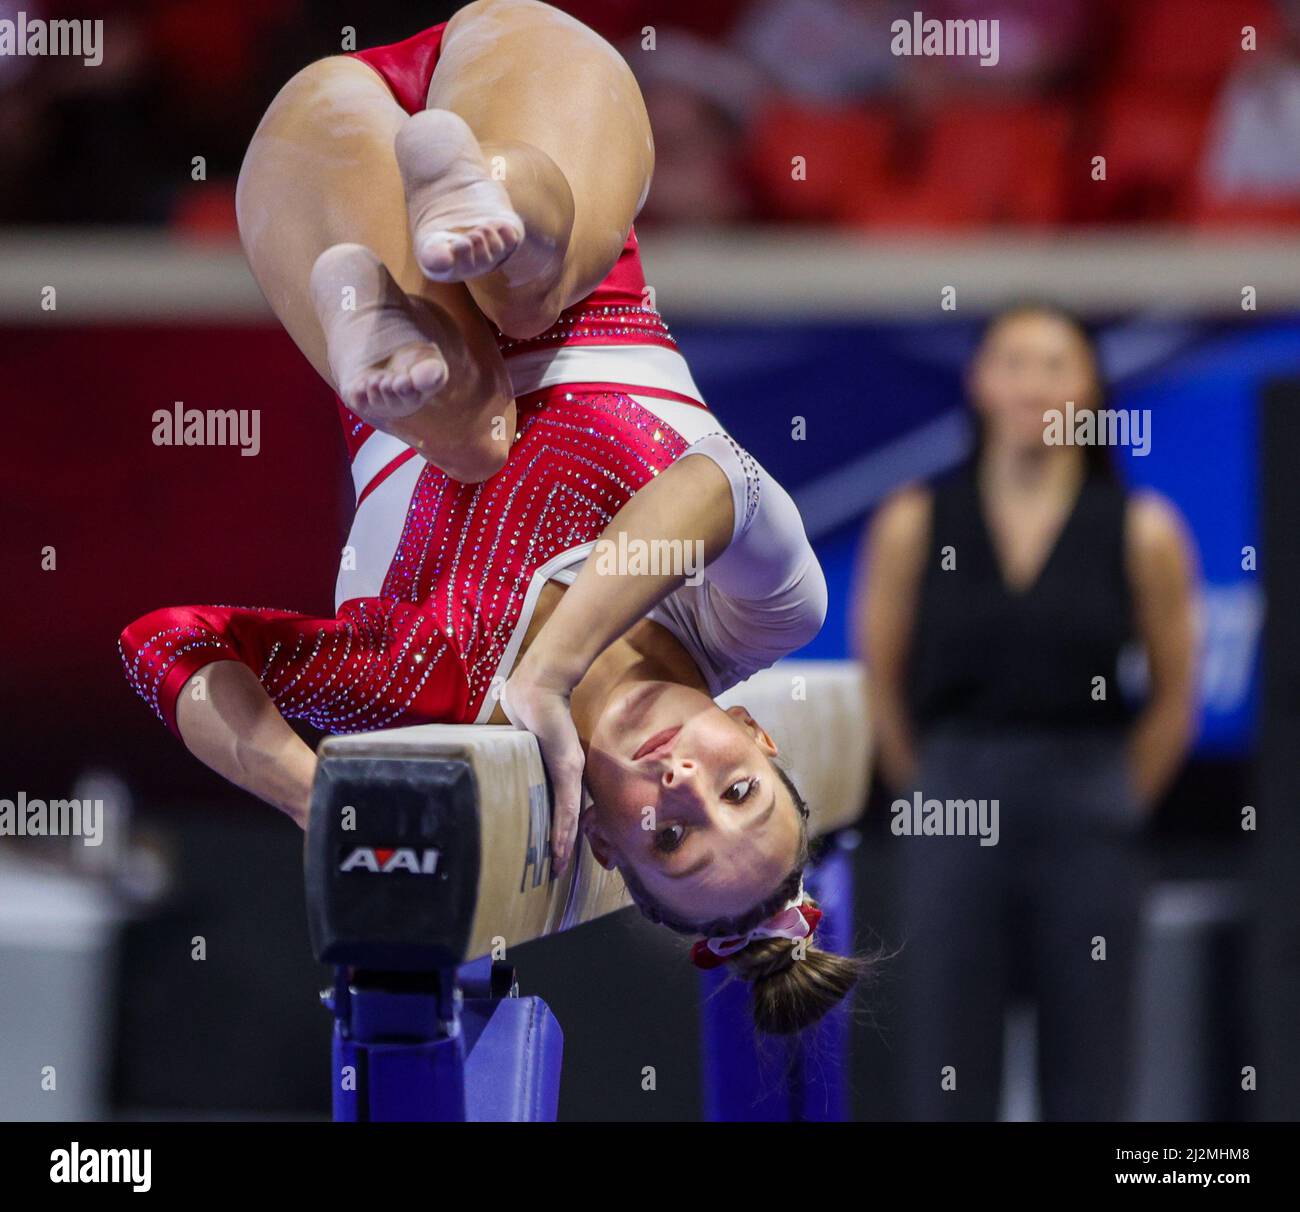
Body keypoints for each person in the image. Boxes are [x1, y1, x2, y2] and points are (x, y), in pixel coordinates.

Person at [118, 1, 861, 1034]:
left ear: (604, 845)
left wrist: (314, 793)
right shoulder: (762, 620)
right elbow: (709, 486)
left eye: (672, 835)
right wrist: (548, 669)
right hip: (533, 118)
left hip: (328, 167)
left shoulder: (429, 688)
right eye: (739, 792)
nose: (687, 782)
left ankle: (381, 313)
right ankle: (475, 213)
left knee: (464, 426)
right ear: (754, 732)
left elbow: (166, 643)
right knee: (522, 305)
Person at [858, 302, 1198, 1117]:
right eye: (1014, 363)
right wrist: (929, 791)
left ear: (1091, 388)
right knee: (947, 1061)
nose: (1034, 386)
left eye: (1056, 365)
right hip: (954, 788)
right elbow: (880, 677)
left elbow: (1176, 693)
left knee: (1092, 1068)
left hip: (1087, 803)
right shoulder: (914, 520)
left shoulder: (1141, 531)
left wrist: (1115, 799)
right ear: (978, 382)